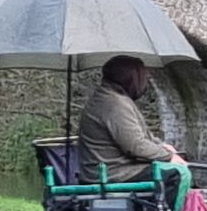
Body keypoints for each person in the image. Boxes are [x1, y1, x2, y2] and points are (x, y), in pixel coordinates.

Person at [77, 55, 183, 183]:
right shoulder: (115, 104)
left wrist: (161, 146)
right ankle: (171, 204)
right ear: (131, 79)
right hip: (113, 173)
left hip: (110, 170)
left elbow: (142, 135)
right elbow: (135, 146)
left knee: (172, 168)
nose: (144, 83)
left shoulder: (110, 97)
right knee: (177, 174)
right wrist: (169, 157)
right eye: (142, 78)